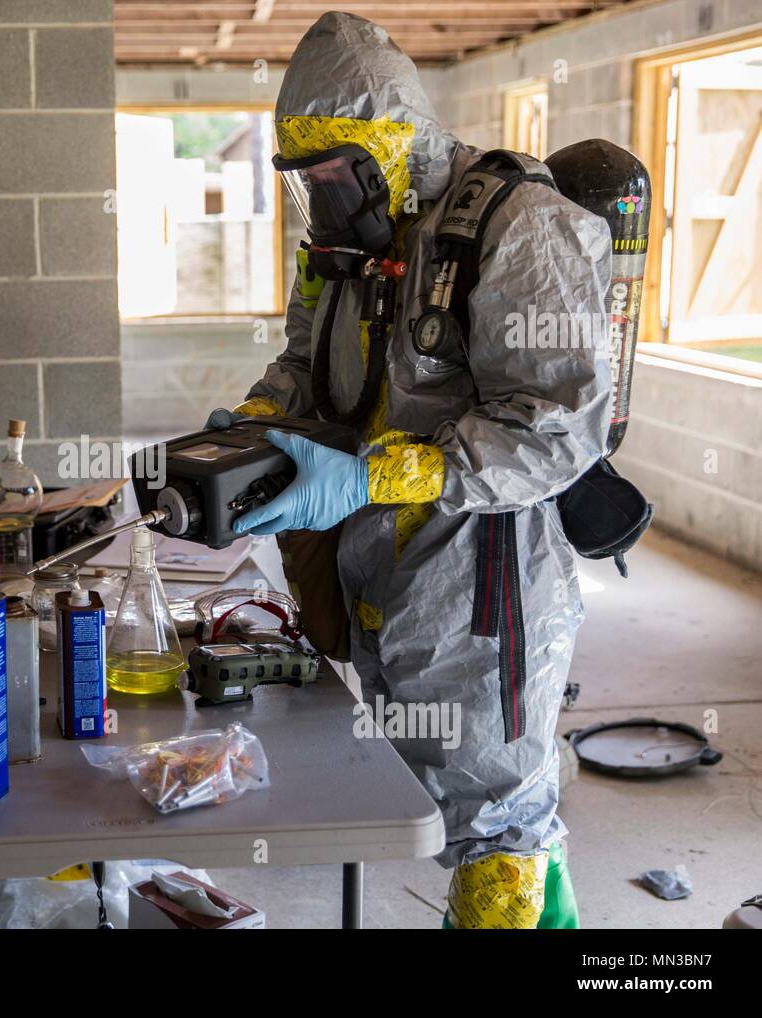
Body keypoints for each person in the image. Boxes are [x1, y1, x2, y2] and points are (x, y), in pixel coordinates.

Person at [212, 12, 610, 928]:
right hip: (377, 572)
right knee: (427, 797)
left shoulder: (518, 228)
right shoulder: (344, 241)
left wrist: (373, 479)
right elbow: (301, 363)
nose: (319, 192)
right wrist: (252, 425)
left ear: (391, 145)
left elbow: (556, 432)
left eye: (333, 170)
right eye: (301, 175)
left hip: (485, 587)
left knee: (495, 826)